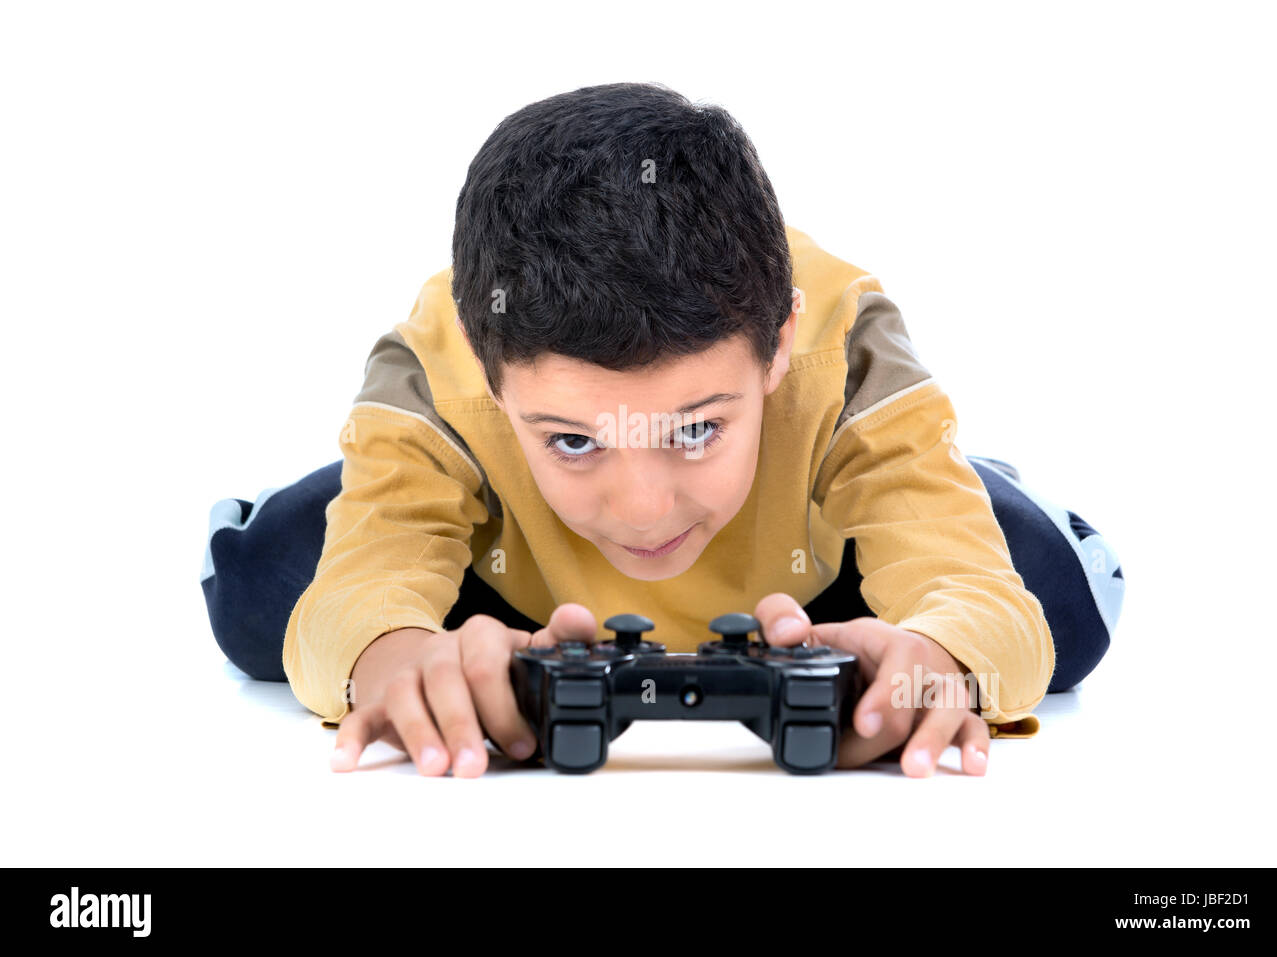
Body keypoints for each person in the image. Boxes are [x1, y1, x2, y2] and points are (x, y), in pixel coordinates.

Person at [201, 82, 1124, 779]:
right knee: (266, 604)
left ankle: (968, 475)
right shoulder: (437, 363)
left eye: (694, 430)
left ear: (779, 346)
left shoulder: (845, 349)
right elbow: (357, 593)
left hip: (817, 574)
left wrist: (943, 658)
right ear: (488, 373)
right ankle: (407, 493)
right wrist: (390, 654)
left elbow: (976, 598)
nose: (643, 509)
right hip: (514, 578)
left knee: (1054, 615)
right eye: (573, 439)